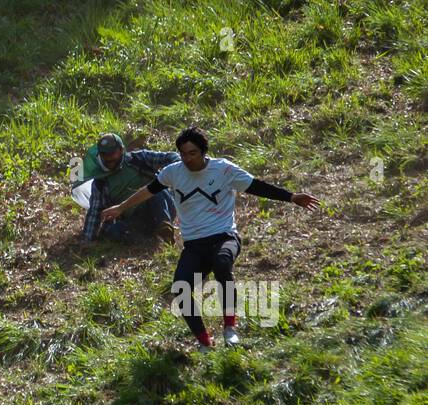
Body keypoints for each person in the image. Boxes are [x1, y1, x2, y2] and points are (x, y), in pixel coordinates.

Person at [101, 126, 322, 351]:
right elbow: (148, 191)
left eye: (193, 153)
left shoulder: (223, 169)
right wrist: (120, 207)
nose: (187, 159)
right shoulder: (173, 172)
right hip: (194, 245)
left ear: (203, 152)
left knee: (222, 264)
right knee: (180, 288)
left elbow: (256, 186)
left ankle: (230, 327)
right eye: (184, 154)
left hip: (224, 236)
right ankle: (204, 341)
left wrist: (292, 197)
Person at [75, 132, 178, 244]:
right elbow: (95, 212)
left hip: (161, 204)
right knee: (113, 231)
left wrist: (177, 166)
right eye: (104, 154)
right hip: (137, 218)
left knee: (155, 188)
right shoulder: (100, 182)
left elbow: (170, 157)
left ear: (121, 150)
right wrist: (87, 240)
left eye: (112, 153)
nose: (108, 158)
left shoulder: (138, 159)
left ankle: (164, 227)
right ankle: (145, 239)